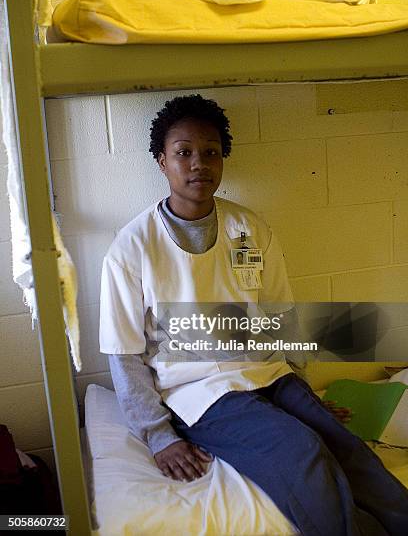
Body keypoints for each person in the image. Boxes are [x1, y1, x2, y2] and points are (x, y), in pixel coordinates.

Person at [99, 94, 408, 536]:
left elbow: (280, 314)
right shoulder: (132, 248)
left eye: (210, 152)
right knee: (301, 451)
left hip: (269, 374)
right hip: (201, 391)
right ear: (161, 161)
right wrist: (159, 435)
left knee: (346, 445)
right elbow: (124, 355)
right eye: (183, 152)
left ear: (223, 159)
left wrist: (305, 396)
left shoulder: (249, 228)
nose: (198, 163)